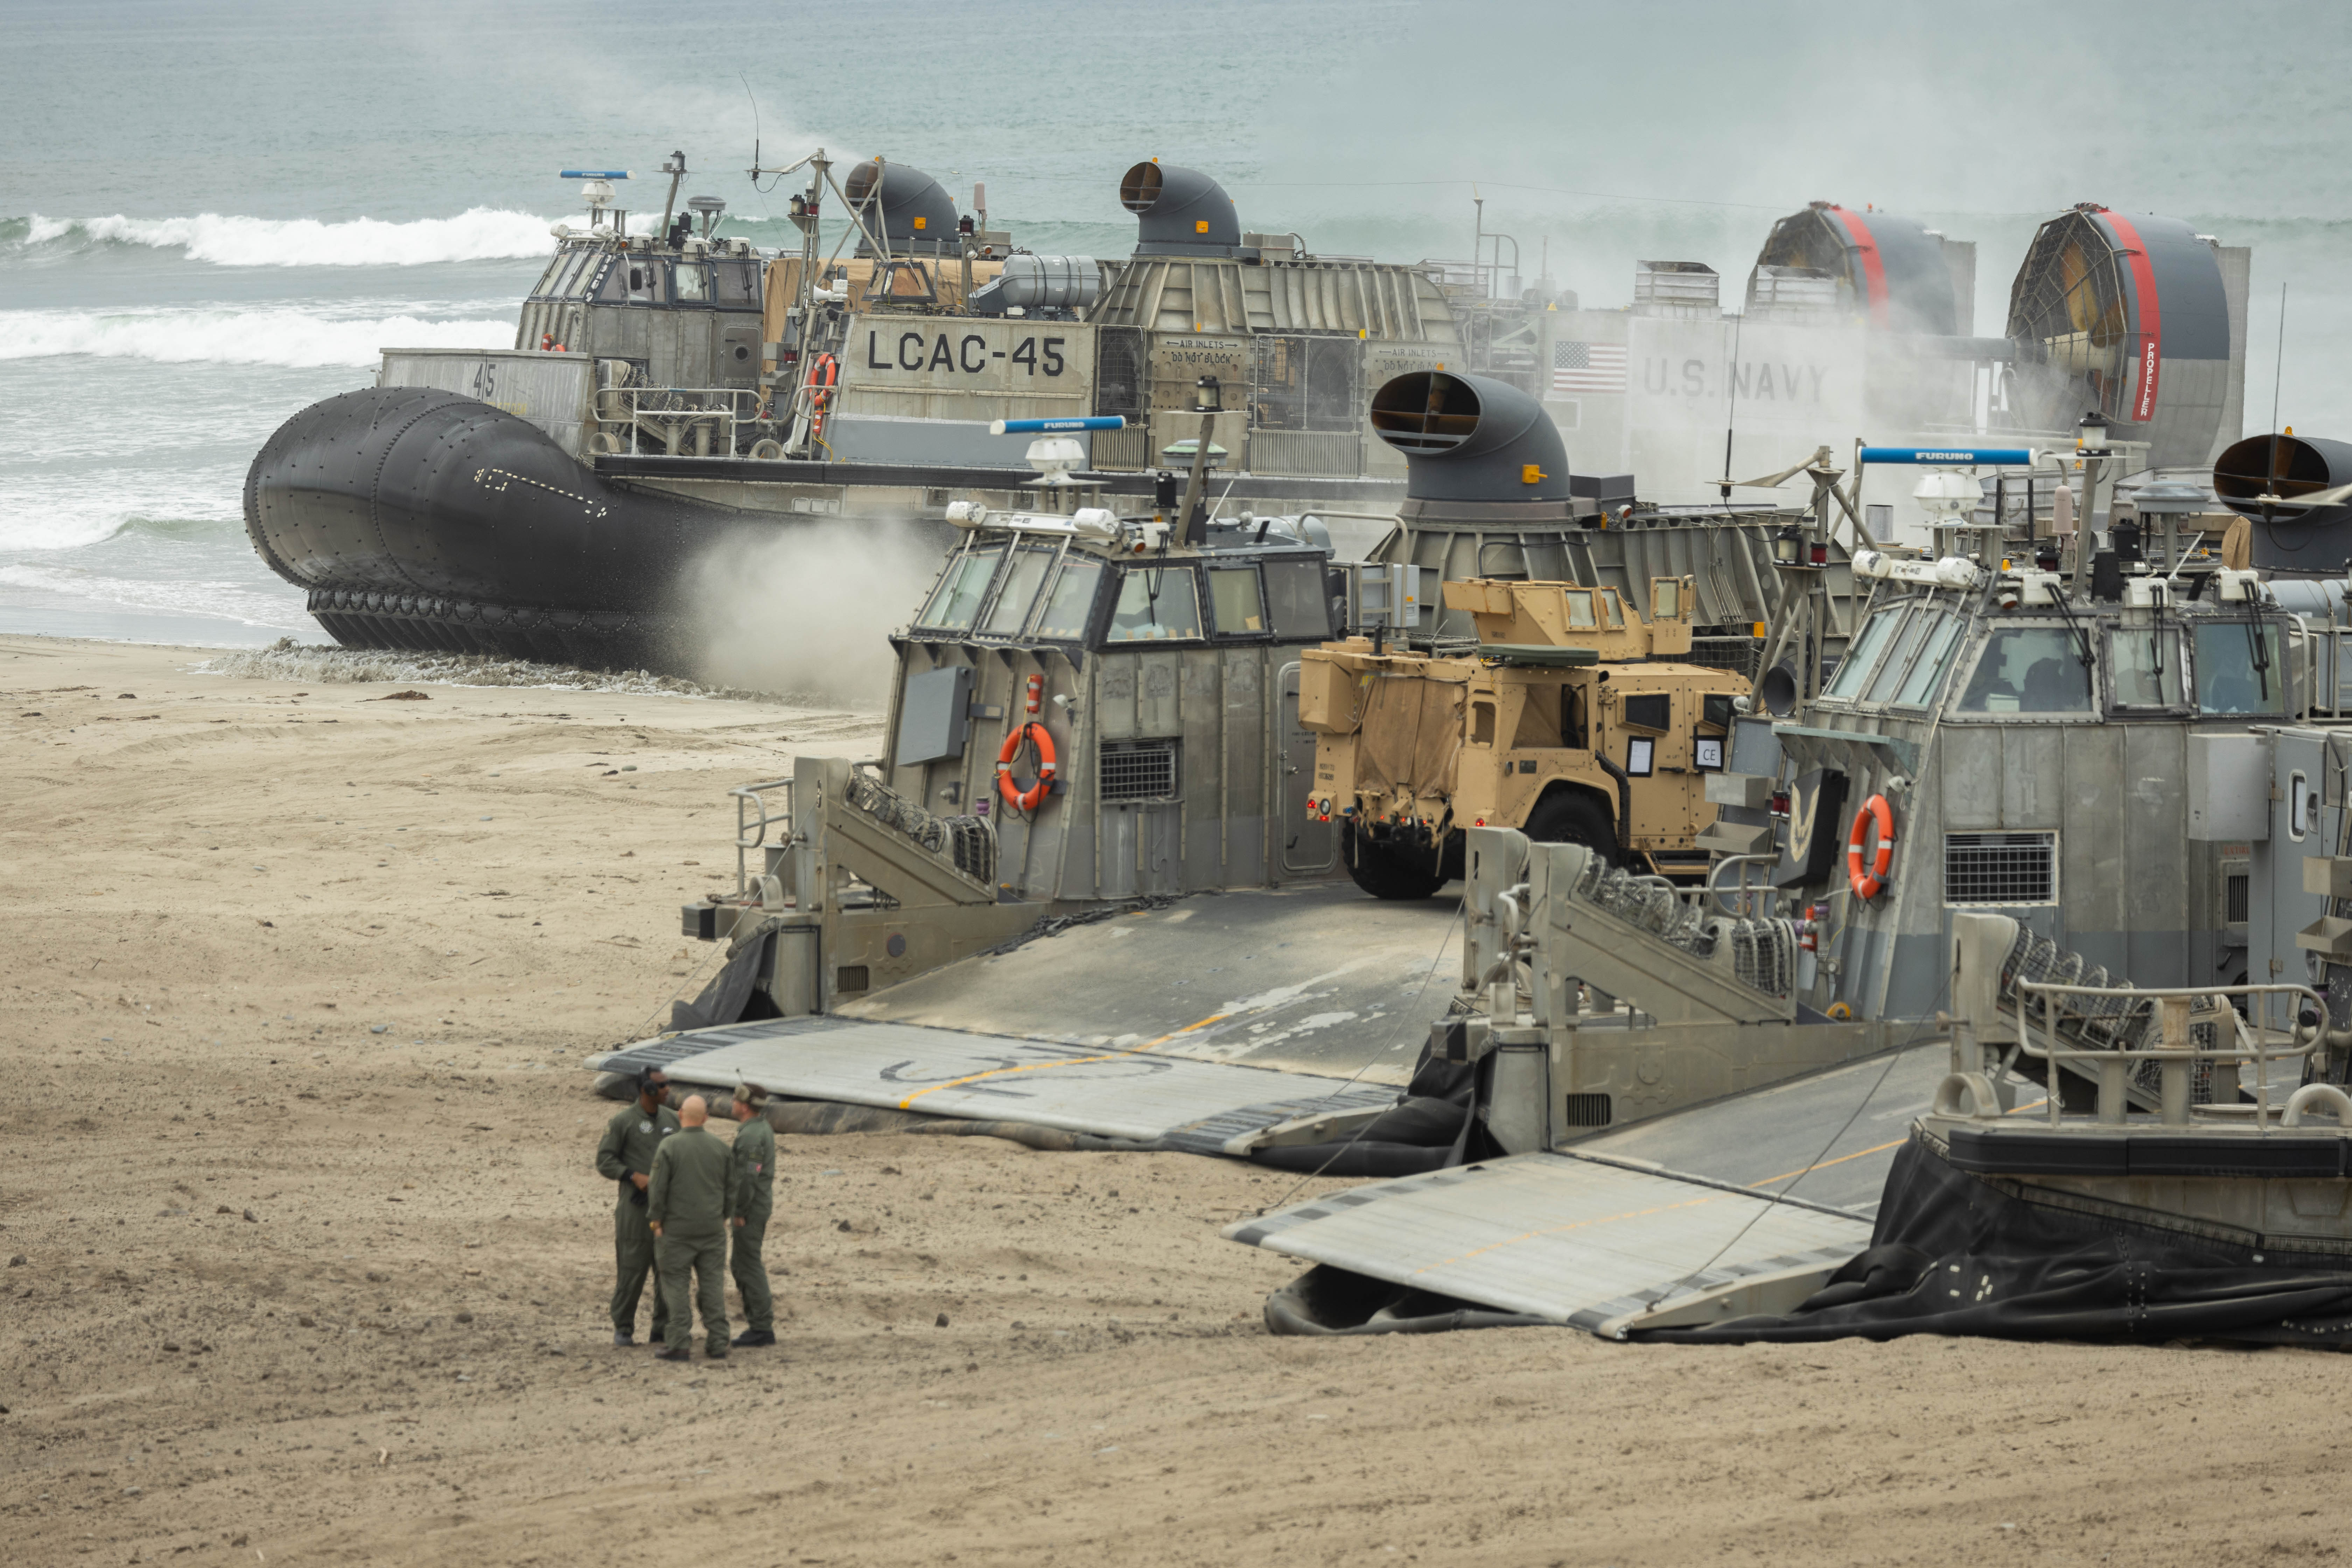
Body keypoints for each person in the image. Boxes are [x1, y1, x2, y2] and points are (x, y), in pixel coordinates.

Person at [647, 1093, 736, 1362]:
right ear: (706, 1118)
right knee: (713, 1285)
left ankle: (679, 1343)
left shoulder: (669, 1146)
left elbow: (657, 1188)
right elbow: (732, 1189)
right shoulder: (721, 1148)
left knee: (675, 1284)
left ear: (680, 1115)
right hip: (712, 1230)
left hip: (676, 1231)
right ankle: (718, 1341)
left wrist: (656, 1220)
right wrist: (724, 1216)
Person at [595, 1070, 678, 1347]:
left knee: (668, 1270)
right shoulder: (624, 1122)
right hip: (636, 1209)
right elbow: (605, 1160)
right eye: (662, 1085)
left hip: (668, 1209)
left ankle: (662, 1329)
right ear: (646, 1088)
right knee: (632, 1269)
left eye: (668, 1084)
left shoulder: (673, 1120)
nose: (668, 1089)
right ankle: (624, 1327)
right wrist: (632, 1176)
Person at [727, 1083, 778, 1350]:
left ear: (745, 1106)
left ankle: (761, 1327)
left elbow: (748, 1178)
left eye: (735, 1100)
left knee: (747, 1265)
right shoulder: (758, 1129)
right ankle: (759, 1324)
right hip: (755, 1206)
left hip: (750, 1209)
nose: (732, 1103)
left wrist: (739, 1211)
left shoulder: (750, 1137)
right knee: (742, 1263)